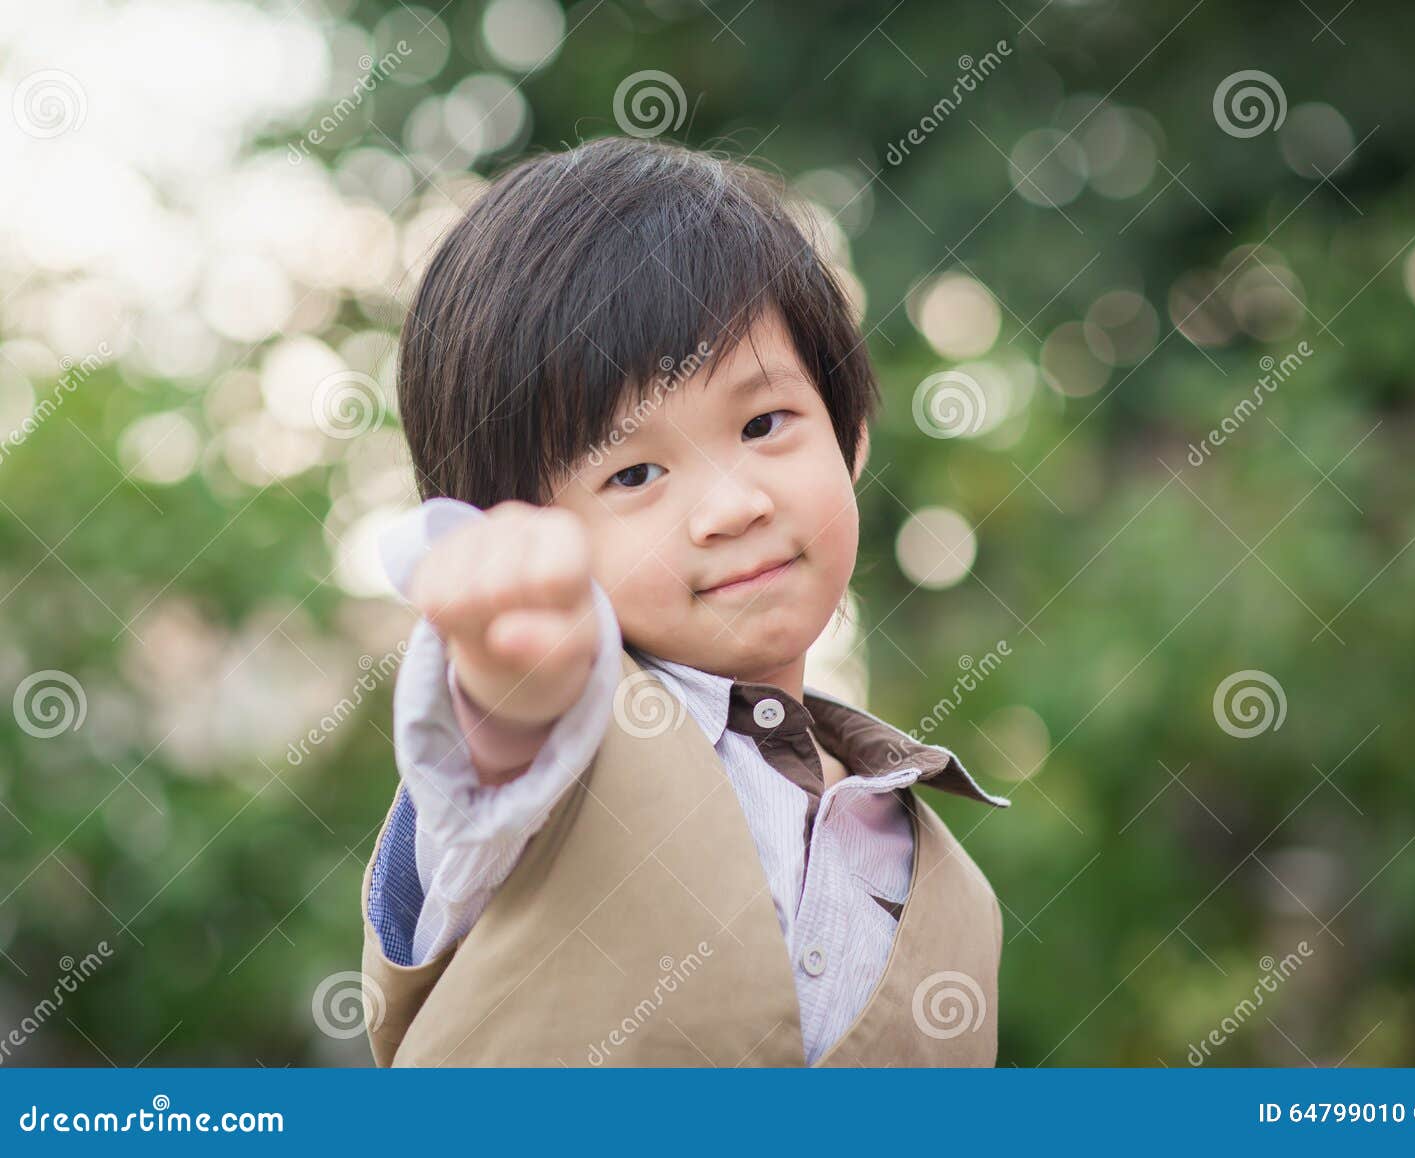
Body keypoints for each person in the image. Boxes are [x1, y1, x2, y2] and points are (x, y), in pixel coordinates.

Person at [359, 135, 1010, 1067]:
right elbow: (500, 730)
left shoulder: (949, 884)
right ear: (511, 529)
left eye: (762, 423)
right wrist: (512, 654)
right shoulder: (549, 750)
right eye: (634, 474)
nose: (732, 505)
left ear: (850, 435)